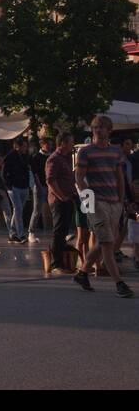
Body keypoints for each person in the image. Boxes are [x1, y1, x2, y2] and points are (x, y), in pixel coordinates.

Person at [72, 115, 133, 297]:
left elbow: (119, 177)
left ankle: (82, 273)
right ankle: (119, 284)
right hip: (96, 201)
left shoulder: (116, 152)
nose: (97, 130)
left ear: (109, 130)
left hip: (114, 201)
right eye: (95, 127)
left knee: (107, 240)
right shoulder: (86, 152)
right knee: (107, 242)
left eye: (101, 127)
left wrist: (122, 200)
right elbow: (79, 178)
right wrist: (89, 200)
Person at [45, 131, 79, 274]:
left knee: (63, 231)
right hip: (59, 201)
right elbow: (50, 180)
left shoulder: (64, 158)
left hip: (67, 199)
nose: (72, 145)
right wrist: (61, 196)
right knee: (58, 231)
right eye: (71, 142)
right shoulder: (54, 159)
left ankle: (61, 261)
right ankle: (55, 263)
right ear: (63, 143)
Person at [3, 137, 31, 243]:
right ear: (17, 147)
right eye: (23, 146)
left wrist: (28, 184)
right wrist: (8, 185)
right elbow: (4, 173)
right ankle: (21, 235)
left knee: (18, 210)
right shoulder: (10, 157)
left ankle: (12, 233)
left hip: (23, 186)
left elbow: (27, 170)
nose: (25, 148)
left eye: (26, 146)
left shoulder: (25, 156)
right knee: (18, 210)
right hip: (14, 187)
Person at [28, 137, 50, 238]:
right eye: (47, 144)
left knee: (55, 208)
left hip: (49, 186)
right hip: (40, 186)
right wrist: (38, 185)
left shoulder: (51, 156)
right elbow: (35, 173)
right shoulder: (36, 157)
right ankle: (31, 232)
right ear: (42, 145)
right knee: (37, 210)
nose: (49, 146)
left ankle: (60, 231)